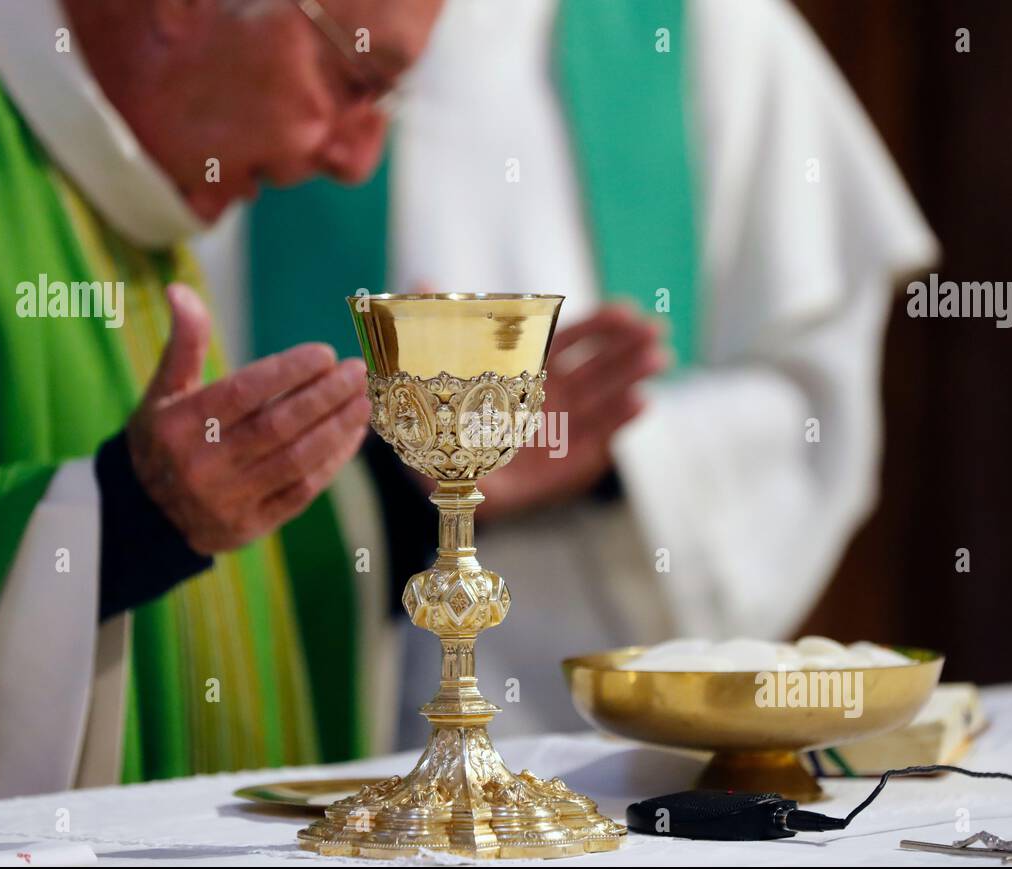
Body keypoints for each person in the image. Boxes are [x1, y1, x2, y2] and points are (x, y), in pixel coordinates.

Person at [239, 0, 940, 745]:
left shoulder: (709, 25)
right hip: (349, 689)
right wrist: (395, 484)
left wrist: (626, 452)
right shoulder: (272, 25)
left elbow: (815, 389)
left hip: (615, 704)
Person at [0, 0, 444, 810]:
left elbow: (198, 553)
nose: (358, 160)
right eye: (355, 79)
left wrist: (403, 488)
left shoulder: (121, 173)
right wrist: (123, 520)